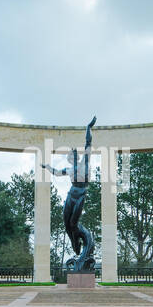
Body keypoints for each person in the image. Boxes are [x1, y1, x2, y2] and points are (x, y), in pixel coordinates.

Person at [41, 116, 97, 271]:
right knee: (66, 222)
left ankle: (79, 244)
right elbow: (57, 172)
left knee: (73, 223)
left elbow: (88, 143)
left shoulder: (85, 161)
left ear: (76, 157)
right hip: (71, 195)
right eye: (68, 158)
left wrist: (88, 127)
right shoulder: (70, 169)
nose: (69, 159)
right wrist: (47, 167)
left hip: (80, 194)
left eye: (71, 157)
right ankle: (75, 244)